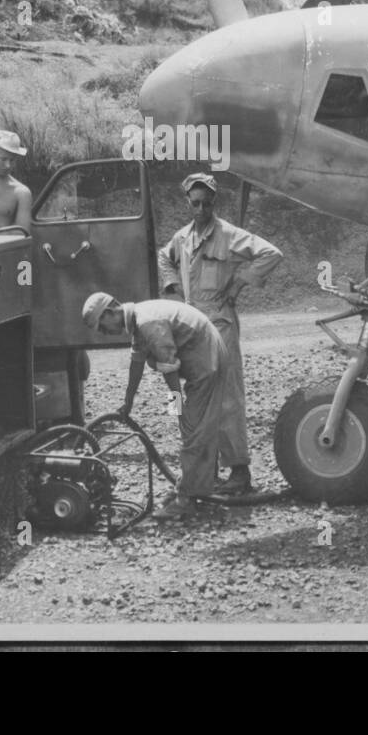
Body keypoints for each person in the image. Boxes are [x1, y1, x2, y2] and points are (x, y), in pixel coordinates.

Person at [157, 173, 282, 496]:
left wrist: (240, 281)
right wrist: (174, 286)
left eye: (207, 203)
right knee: (199, 400)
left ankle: (239, 472)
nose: (201, 209)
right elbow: (163, 257)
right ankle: (206, 472)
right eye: (195, 203)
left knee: (227, 399)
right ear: (188, 202)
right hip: (192, 328)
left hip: (220, 325)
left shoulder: (229, 235)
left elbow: (271, 254)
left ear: (215, 202)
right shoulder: (183, 238)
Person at [81, 292, 228, 521]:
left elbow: (168, 367)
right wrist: (127, 402)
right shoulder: (138, 321)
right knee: (194, 425)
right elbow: (137, 363)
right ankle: (199, 483)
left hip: (206, 361)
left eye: (101, 326)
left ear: (110, 312)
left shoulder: (147, 322)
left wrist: (176, 410)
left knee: (193, 430)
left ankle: (186, 500)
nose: (103, 333)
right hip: (200, 357)